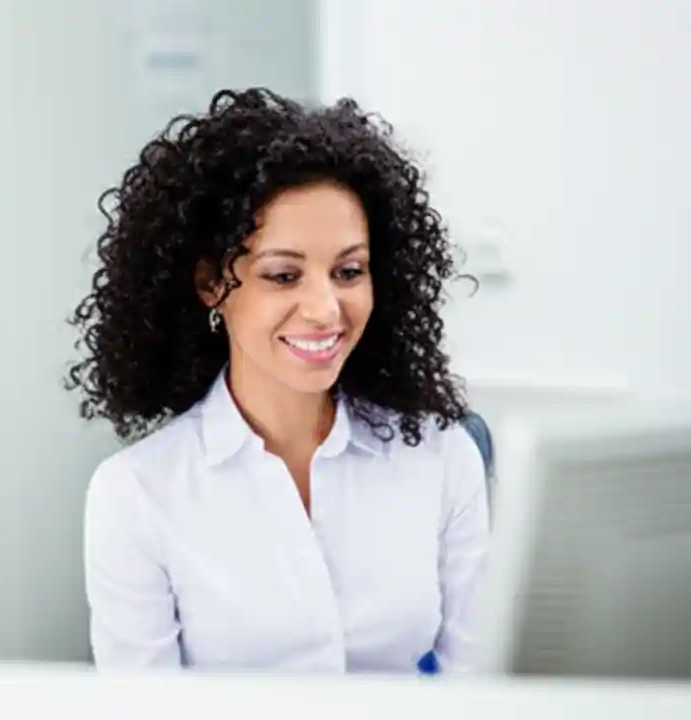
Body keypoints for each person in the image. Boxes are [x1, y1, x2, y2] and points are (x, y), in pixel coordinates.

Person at [67, 88, 488, 673]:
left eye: (348, 271)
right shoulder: (136, 494)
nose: (325, 308)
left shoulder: (445, 460)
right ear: (213, 284)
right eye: (283, 275)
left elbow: (482, 685)